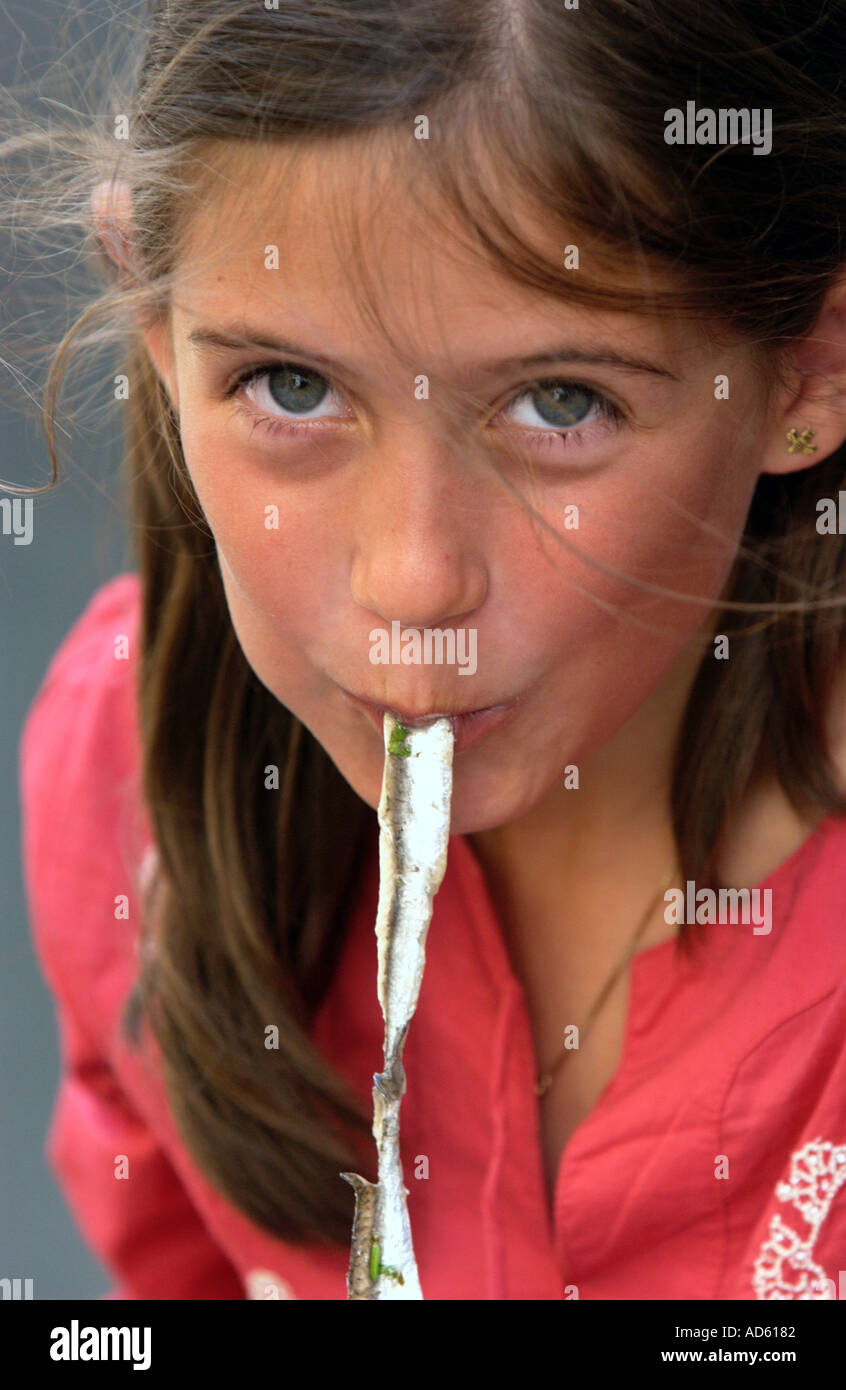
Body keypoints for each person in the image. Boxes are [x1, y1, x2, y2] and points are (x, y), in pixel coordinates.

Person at [10, 0, 846, 1300]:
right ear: (159, 337)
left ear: (808, 373)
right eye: (290, 387)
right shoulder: (115, 775)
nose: (410, 577)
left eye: (560, 403)